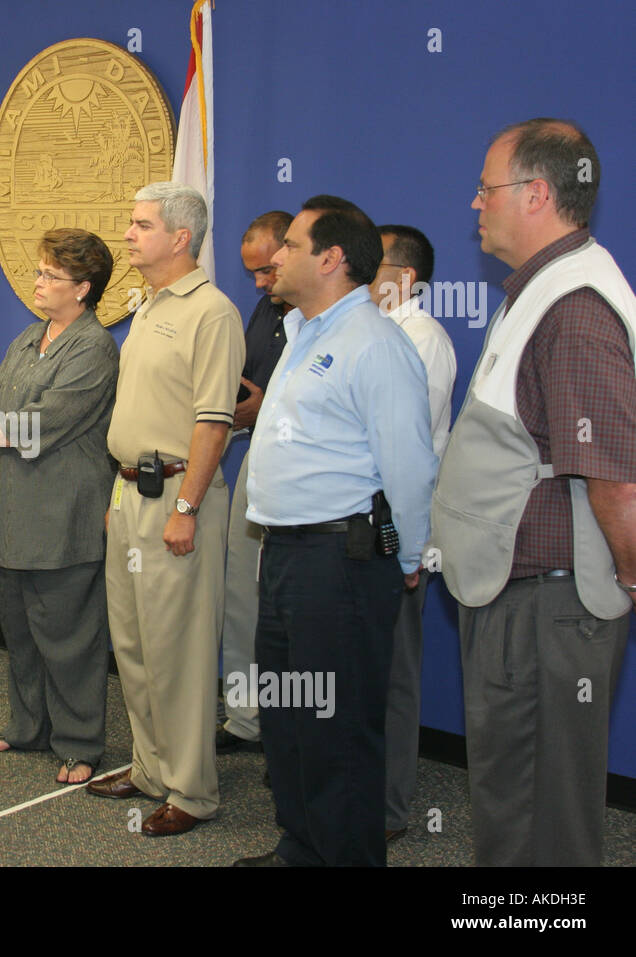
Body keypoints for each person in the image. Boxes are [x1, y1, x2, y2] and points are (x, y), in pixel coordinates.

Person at [432, 118, 636, 866]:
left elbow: (615, 476)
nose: (476, 204)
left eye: (487, 190)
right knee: (516, 804)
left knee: (537, 820)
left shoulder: (574, 312)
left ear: (537, 193)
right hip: (524, 602)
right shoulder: (544, 291)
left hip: (547, 610)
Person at [236, 195, 436, 867]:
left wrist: (406, 553)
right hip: (288, 552)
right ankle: (301, 847)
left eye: (290, 244)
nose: (276, 256)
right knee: (289, 720)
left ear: (332, 258)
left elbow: (409, 464)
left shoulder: (375, 343)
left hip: (342, 560)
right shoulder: (302, 333)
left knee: (337, 733)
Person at [86, 182, 244, 837]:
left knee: (178, 650)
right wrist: (119, 496)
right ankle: (150, 766)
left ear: (181, 237)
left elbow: (213, 422)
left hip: (179, 498)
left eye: (141, 224)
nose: (128, 234)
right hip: (131, 493)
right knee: (134, 644)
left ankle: (191, 789)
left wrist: (185, 506)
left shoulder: (213, 312)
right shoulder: (148, 308)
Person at [0, 228, 119, 785]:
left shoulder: (95, 347)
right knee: (22, 632)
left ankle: (80, 742)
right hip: (12, 513)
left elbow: (46, 420)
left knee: (70, 635)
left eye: (50, 274)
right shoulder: (29, 336)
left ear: (82, 288)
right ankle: (28, 725)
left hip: (62, 515)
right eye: (39, 270)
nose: (38, 281)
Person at [367, 224, 457, 842]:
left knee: (393, 675)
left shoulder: (422, 339)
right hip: (358, 529)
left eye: (370, 265)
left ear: (402, 279)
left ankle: (387, 812)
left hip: (392, 532)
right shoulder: (370, 335)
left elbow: (402, 453)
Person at [217, 210, 293, 756]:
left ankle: (286, 727)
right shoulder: (264, 309)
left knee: (287, 609)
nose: (263, 284)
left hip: (306, 479)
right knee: (243, 596)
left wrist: (267, 406)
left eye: (268, 271)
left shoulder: (322, 315)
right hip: (255, 457)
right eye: (254, 276)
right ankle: (245, 719)